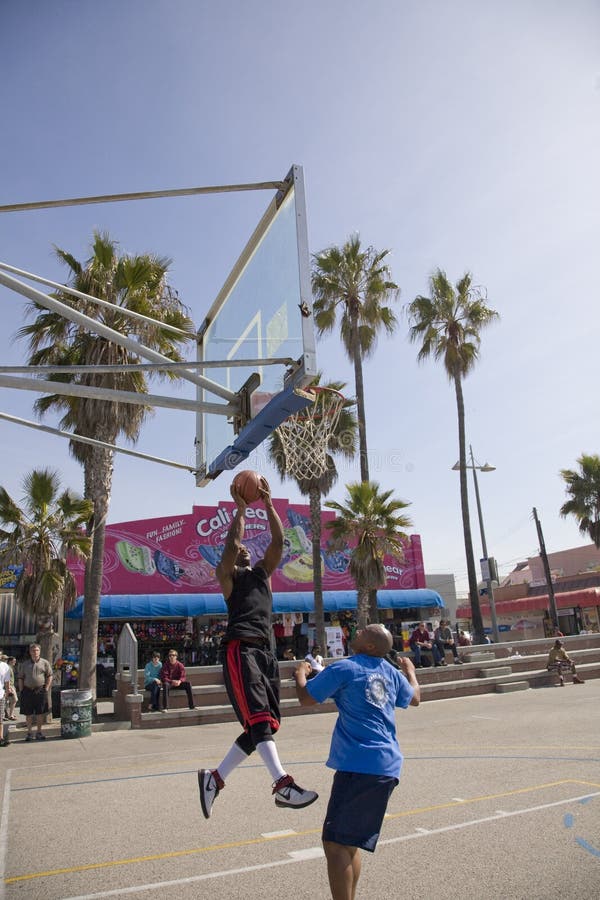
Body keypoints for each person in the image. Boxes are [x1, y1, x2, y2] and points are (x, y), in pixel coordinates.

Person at [198, 475, 318, 819]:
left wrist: (267, 503)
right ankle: (283, 785)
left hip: (266, 653)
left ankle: (214, 779)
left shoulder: (263, 573)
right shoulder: (227, 578)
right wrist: (240, 510)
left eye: (246, 549)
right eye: (239, 550)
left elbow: (279, 541)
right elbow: (232, 544)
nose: (244, 549)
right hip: (241, 650)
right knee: (260, 721)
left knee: (263, 726)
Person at [294, 623, 420, 900]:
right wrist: (410, 672)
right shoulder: (390, 671)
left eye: (364, 631)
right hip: (385, 765)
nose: (357, 631)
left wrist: (300, 674)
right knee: (348, 843)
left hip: (359, 765)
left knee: (334, 843)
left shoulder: (346, 667)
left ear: (370, 645)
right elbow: (415, 698)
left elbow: (306, 698)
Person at [17, 643, 53, 741]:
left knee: (39, 713)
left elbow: (49, 675)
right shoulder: (25, 664)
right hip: (27, 691)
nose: (35, 652)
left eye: (37, 650)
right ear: (30, 652)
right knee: (28, 713)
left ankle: (39, 732)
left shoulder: (45, 663)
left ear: (39, 651)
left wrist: (46, 688)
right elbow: (20, 677)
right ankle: (29, 733)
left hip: (40, 690)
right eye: (33, 650)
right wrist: (21, 690)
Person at [0, 654, 12, 747]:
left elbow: (7, 681)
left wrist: (7, 692)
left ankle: (0, 738)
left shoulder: (5, 666)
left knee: (0, 718)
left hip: (1, 695)